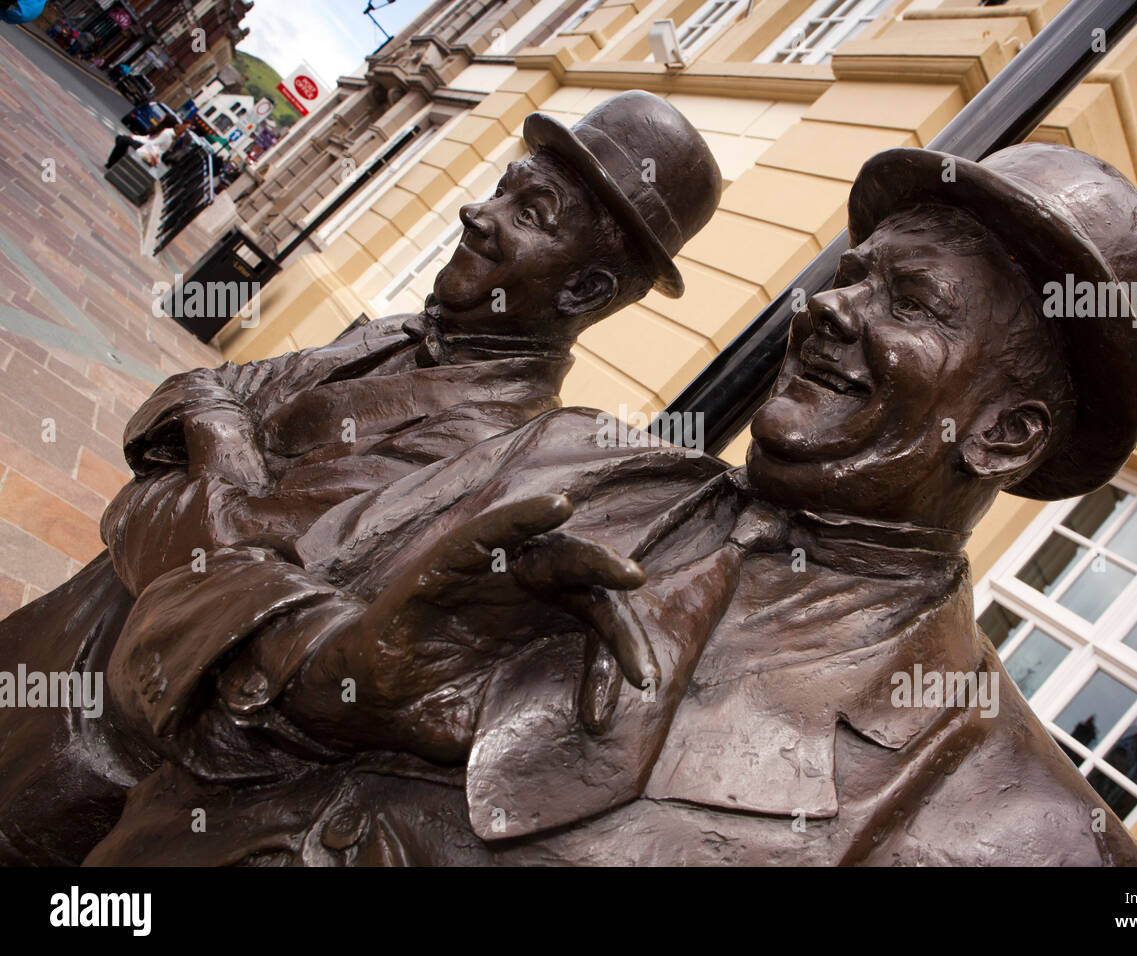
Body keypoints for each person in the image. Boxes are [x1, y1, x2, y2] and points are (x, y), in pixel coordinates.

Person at [77, 141, 1137, 866]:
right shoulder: (568, 452)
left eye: (908, 300)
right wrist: (345, 670)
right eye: (849, 272)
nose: (827, 309)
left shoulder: (1022, 829)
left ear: (1006, 433)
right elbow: (188, 595)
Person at [0, 91, 722, 865]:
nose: (478, 213)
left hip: (84, 751)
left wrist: (196, 469)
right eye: (503, 186)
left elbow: (200, 559)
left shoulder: (488, 453)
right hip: (42, 649)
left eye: (529, 211)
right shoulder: (398, 331)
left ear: (582, 291)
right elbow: (196, 393)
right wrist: (217, 434)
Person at [105, 118, 189, 169]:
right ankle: (113, 161)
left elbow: (152, 143)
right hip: (146, 146)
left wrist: (134, 138)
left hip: (146, 149)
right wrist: (134, 137)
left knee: (122, 140)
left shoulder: (166, 133)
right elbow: (148, 138)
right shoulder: (165, 131)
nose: (161, 117)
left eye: (163, 117)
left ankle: (112, 163)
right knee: (120, 139)